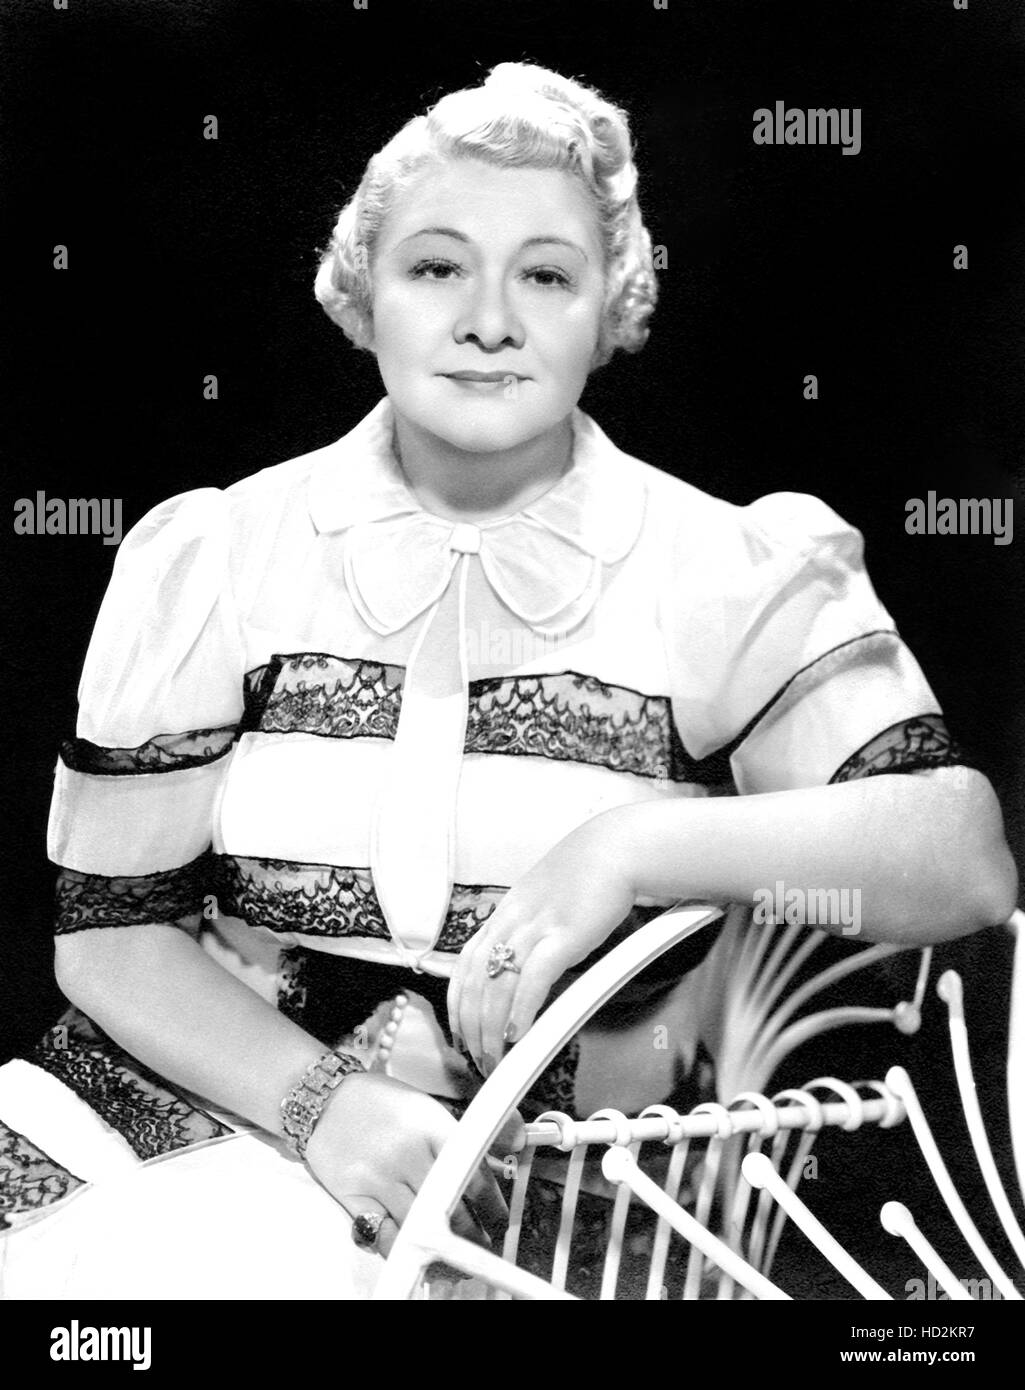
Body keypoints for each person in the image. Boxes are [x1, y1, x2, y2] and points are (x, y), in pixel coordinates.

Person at [0, 61, 1016, 1300]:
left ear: (611, 309)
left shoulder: (723, 568)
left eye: (544, 274)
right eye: (435, 267)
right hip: (172, 1118)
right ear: (361, 294)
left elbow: (956, 859)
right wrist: (322, 1103)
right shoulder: (216, 554)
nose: (489, 320)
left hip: (533, 1200)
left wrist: (626, 848)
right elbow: (110, 935)